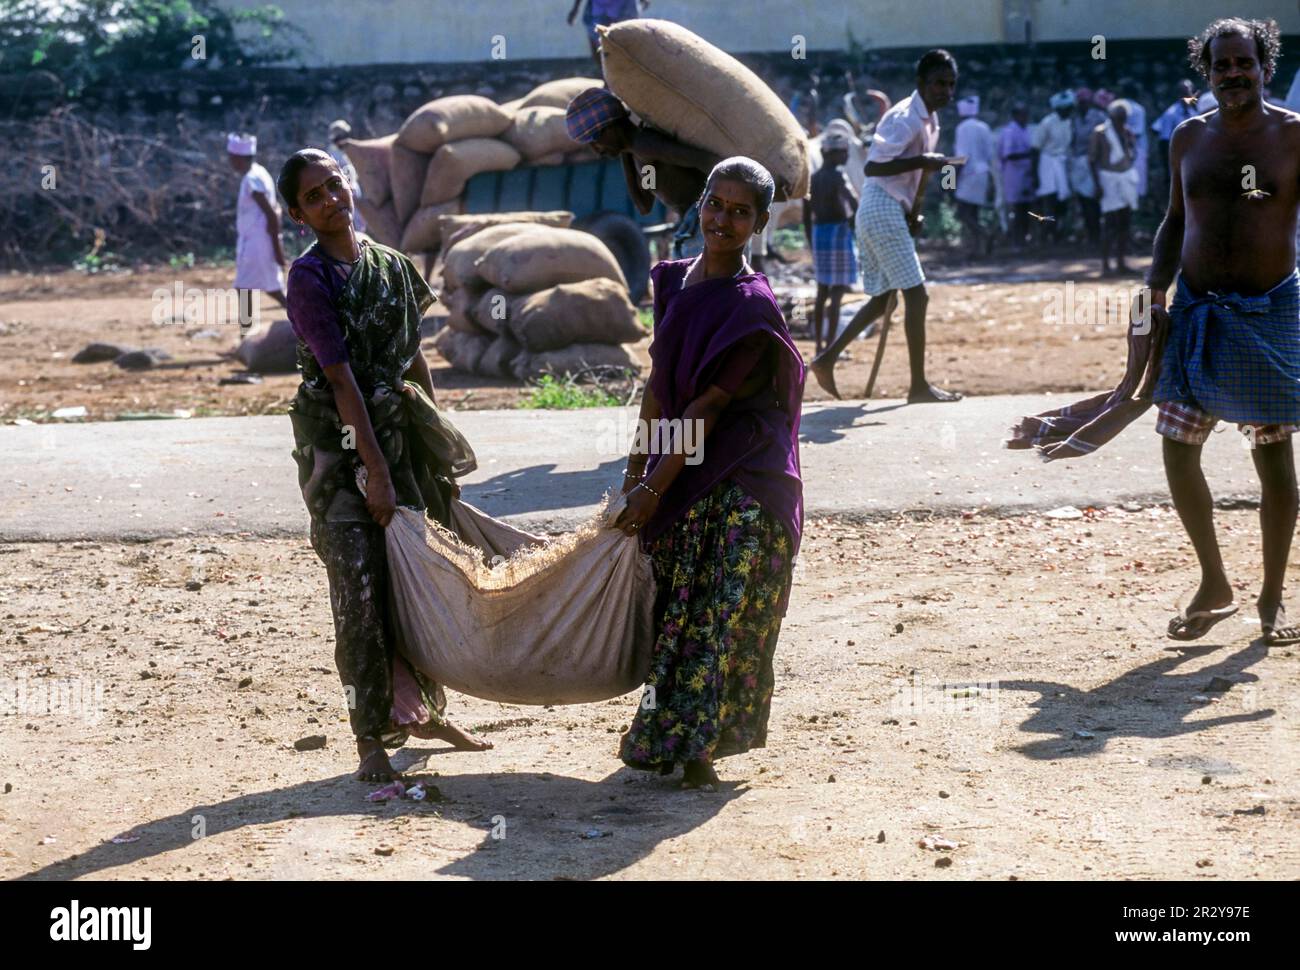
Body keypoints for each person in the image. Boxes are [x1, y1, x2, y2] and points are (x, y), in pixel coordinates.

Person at [278, 149, 492, 783]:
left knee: (415, 582)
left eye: (334, 185)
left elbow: (416, 361)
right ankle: (371, 735)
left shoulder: (393, 266)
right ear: (297, 213)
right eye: (313, 196)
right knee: (360, 596)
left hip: (402, 446)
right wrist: (373, 471)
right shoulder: (310, 280)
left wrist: (436, 442)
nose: (330, 200)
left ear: (350, 187)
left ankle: (426, 712)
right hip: (339, 458)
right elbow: (341, 379)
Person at [613, 156, 805, 790]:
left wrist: (651, 489)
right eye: (715, 205)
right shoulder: (672, 280)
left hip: (747, 474)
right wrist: (637, 467)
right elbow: (660, 388)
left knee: (718, 610)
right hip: (682, 461)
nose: (724, 219)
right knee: (675, 603)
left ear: (760, 222)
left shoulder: (751, 307)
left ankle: (700, 748)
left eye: (740, 211)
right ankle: (669, 738)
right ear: (700, 204)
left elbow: (704, 409)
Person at [1147, 17, 1300, 645]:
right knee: (1178, 446)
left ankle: (1272, 597)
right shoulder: (1188, 138)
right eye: (1221, 66)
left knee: (1273, 456)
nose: (1232, 75)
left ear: (1265, 67)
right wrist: (1151, 293)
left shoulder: (1294, 137)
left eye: (1244, 63)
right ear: (1205, 74)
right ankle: (1215, 582)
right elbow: (1174, 221)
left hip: (1270, 312)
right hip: (1196, 312)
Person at [809, 49, 962, 404]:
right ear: (921, 83)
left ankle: (826, 359)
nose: (946, 91)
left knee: (881, 301)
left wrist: (916, 212)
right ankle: (919, 386)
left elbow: (918, 174)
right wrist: (924, 160)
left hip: (890, 210)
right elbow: (874, 168)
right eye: (939, 83)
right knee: (917, 295)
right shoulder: (905, 118)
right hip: (880, 207)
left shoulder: (930, 122)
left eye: (951, 85)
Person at [565, 86, 724, 259]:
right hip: (690, 224)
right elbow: (645, 203)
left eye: (595, 141)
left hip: (702, 221)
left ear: (610, 128)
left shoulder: (647, 145)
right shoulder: (641, 155)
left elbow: (705, 160)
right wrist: (625, 151)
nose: (597, 150)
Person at [802, 129, 858, 354]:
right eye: (844, 153)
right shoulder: (838, 176)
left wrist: (810, 242)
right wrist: (854, 225)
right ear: (833, 154)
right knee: (837, 292)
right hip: (837, 233)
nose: (846, 157)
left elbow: (806, 215)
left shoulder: (813, 179)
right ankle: (831, 346)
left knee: (822, 291)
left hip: (819, 234)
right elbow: (853, 203)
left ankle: (818, 347)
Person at [226, 132, 287, 331]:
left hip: (257, 243)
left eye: (231, 157)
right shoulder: (260, 173)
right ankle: (248, 332)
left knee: (246, 289)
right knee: (269, 288)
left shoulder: (252, 179)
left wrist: (277, 248)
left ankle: (246, 334)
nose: (230, 161)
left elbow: (271, 213)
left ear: (239, 157)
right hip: (258, 241)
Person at [1090, 100, 1140, 276]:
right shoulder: (1100, 133)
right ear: (1112, 117)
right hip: (1108, 179)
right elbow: (1092, 160)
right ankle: (1105, 265)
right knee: (1109, 223)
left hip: (1125, 178)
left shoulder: (1127, 132)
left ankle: (1120, 262)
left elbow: (1131, 154)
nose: (1121, 120)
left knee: (1124, 222)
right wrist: (1097, 185)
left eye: (1123, 118)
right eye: (1119, 118)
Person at [953, 94, 996, 259]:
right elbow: (990, 155)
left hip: (968, 175)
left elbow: (960, 158)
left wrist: (948, 182)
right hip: (983, 173)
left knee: (963, 213)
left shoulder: (962, 128)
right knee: (974, 212)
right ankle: (978, 249)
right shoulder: (984, 127)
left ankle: (984, 234)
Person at [1031, 91, 1075, 242]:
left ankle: (1057, 232)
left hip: (1061, 164)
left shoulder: (1068, 122)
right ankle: (1044, 234)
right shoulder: (1047, 123)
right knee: (1049, 200)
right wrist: (1035, 174)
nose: (1068, 111)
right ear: (1057, 109)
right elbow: (1035, 149)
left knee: (1062, 202)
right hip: (1047, 164)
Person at [1069, 88, 1106, 245]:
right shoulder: (1075, 119)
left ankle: (1096, 235)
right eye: (1080, 103)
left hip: (1094, 162)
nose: (1082, 105)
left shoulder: (1098, 117)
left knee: (1094, 200)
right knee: (1083, 200)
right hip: (1079, 163)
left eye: (1084, 102)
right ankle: (1090, 235)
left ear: (1090, 102)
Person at [998, 101, 1036, 248]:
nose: (1025, 117)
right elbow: (1009, 155)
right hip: (1014, 175)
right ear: (1015, 116)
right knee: (1017, 210)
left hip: (1026, 175)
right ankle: (1016, 241)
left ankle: (1024, 240)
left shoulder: (1026, 130)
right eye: (1022, 114)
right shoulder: (1009, 132)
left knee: (1026, 209)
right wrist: (1029, 155)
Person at [566, 0, 645, 62]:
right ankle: (605, 76)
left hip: (623, 7)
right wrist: (575, 9)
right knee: (597, 38)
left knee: (625, 39)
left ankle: (619, 74)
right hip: (599, 7)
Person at [325, 119, 366, 234]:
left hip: (352, 189)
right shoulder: (333, 153)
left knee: (359, 223)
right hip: (344, 191)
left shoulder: (345, 150)